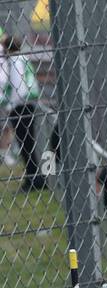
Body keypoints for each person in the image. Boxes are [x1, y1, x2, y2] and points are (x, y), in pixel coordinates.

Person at [2, 34, 44, 190]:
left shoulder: (14, 61)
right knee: (28, 143)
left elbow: (18, 86)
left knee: (26, 144)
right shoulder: (22, 57)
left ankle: (34, 179)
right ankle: (34, 178)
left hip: (20, 106)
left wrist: (8, 104)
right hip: (27, 104)